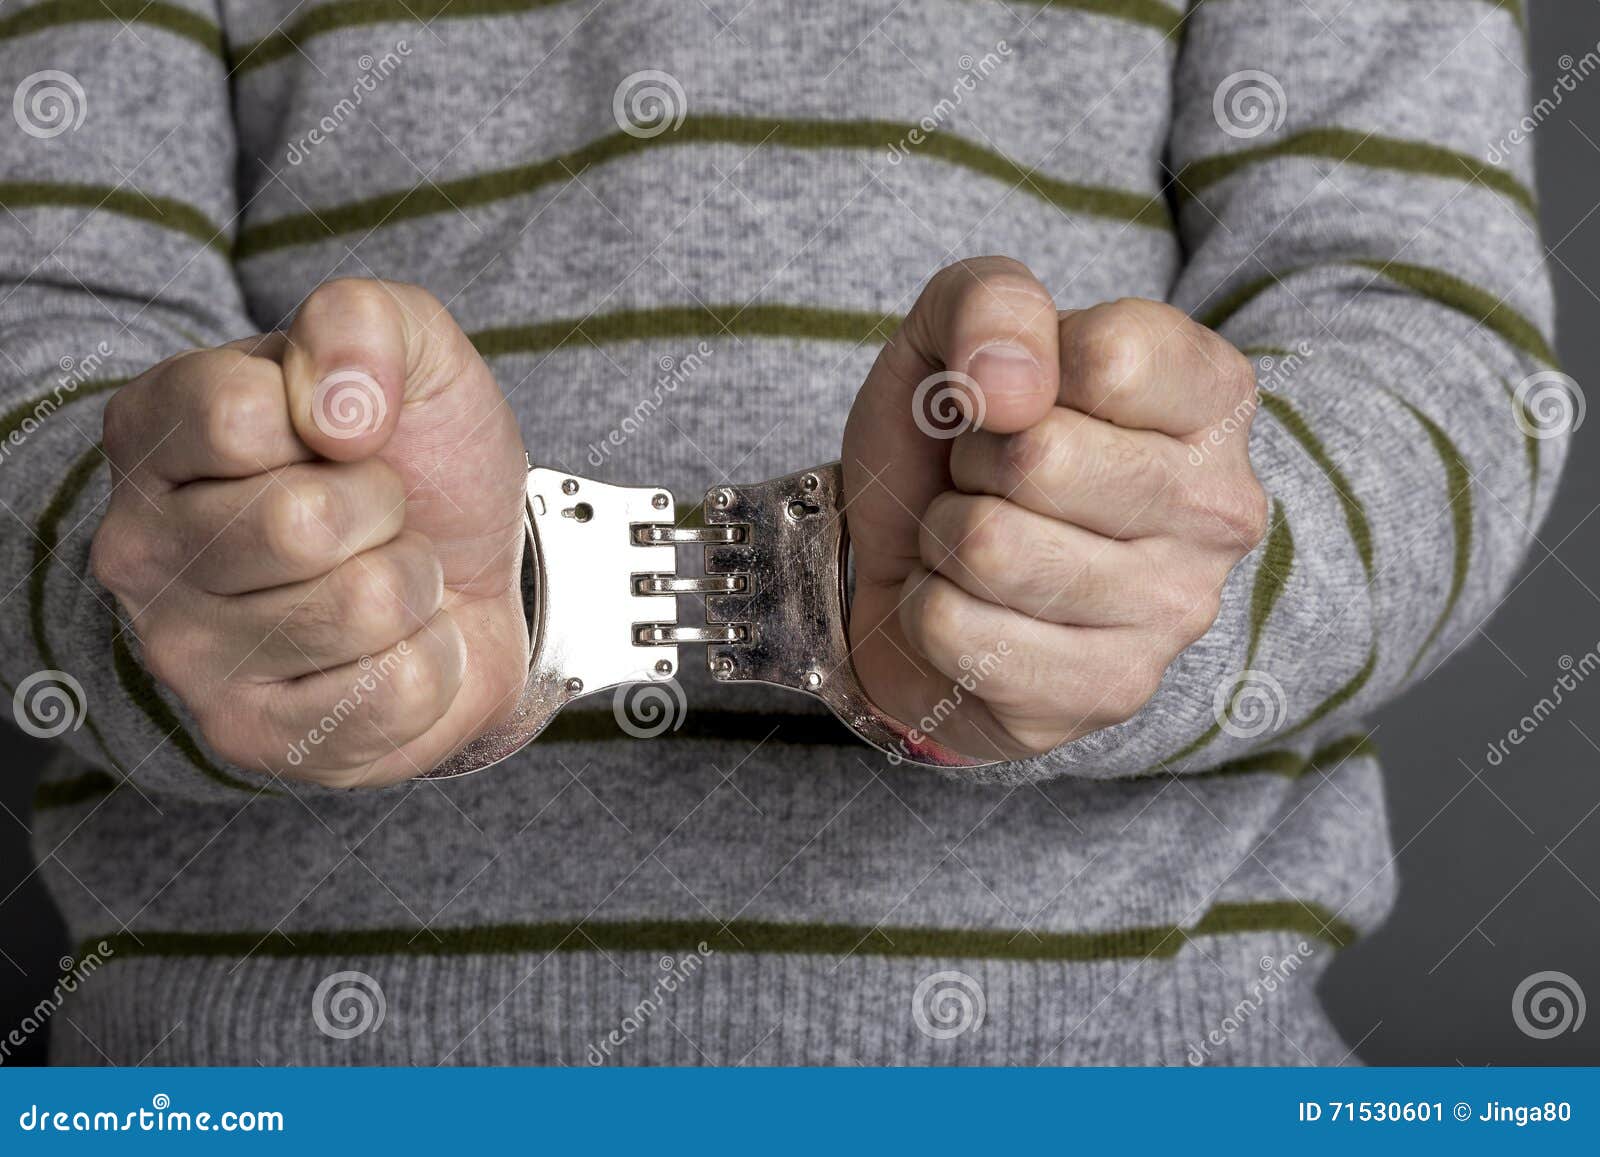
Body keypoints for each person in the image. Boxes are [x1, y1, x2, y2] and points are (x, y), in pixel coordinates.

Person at [1, 0, 1563, 1065]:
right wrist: (234, 596)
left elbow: (1418, 335)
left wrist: (1130, 583)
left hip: (1134, 1069)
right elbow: (43, 331)